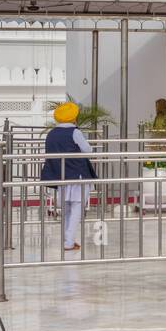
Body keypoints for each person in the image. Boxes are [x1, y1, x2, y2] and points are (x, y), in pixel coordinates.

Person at [41, 103, 97, 252]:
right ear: (74, 118)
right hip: (78, 175)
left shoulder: (51, 134)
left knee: (66, 209)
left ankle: (67, 239)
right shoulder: (75, 132)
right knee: (77, 209)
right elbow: (88, 150)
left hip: (61, 176)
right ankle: (69, 242)